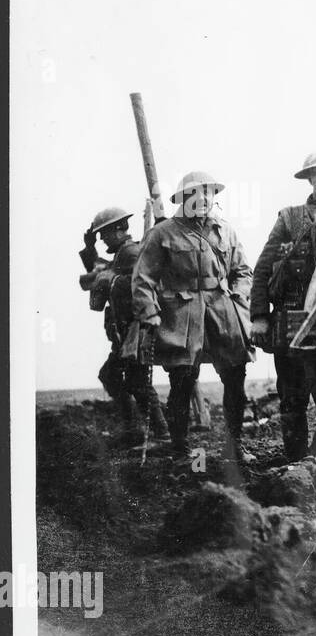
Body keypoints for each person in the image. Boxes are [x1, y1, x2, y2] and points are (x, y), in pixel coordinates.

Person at [130, 171, 253, 462]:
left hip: (222, 312)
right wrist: (150, 313)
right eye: (194, 194)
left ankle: (235, 446)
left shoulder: (225, 230)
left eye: (208, 193)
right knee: (183, 381)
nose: (202, 199)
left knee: (235, 376)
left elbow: (243, 271)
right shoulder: (162, 233)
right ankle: (181, 450)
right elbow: (143, 278)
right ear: (183, 199)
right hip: (182, 316)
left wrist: (237, 298)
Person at [250, 149, 316, 460]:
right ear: (308, 179)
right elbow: (263, 269)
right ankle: (296, 462)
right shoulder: (290, 218)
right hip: (292, 318)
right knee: (292, 396)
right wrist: (259, 316)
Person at [79, 206, 168, 445]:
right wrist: (90, 249)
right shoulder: (123, 253)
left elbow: (141, 282)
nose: (103, 238)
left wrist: (107, 279)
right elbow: (101, 270)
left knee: (137, 382)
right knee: (113, 376)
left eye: (104, 233)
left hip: (135, 331)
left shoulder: (130, 252)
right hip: (125, 333)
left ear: (118, 230)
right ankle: (136, 431)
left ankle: (160, 434)